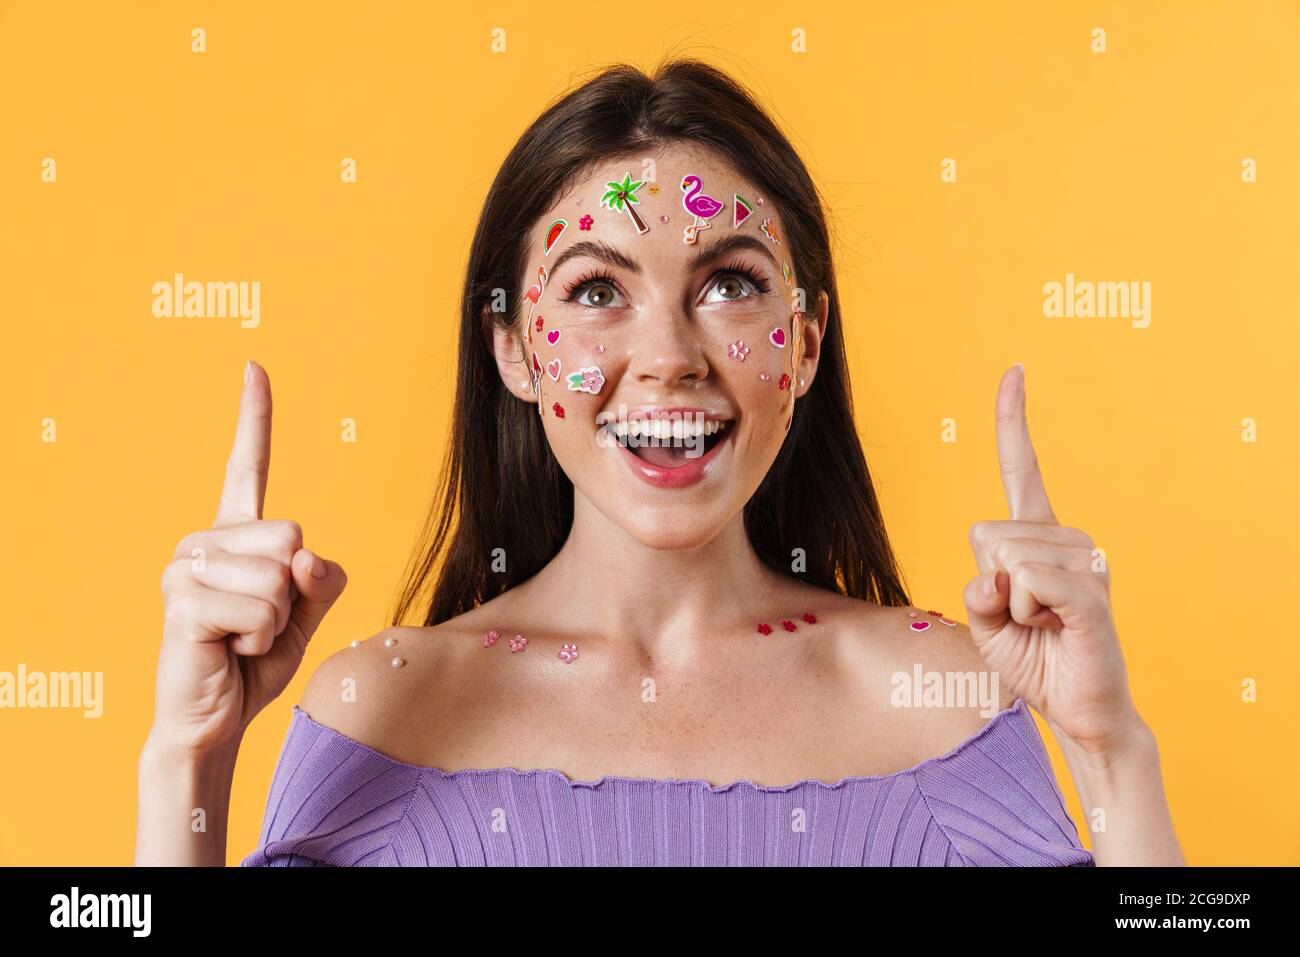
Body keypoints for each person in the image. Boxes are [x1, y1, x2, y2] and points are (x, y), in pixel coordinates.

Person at [135, 59, 1183, 866]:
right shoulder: (386, 710)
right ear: (511, 346)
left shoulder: (945, 704)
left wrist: (1110, 751)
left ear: (806, 340)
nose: (670, 358)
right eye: (595, 291)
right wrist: (189, 756)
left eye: (729, 284)